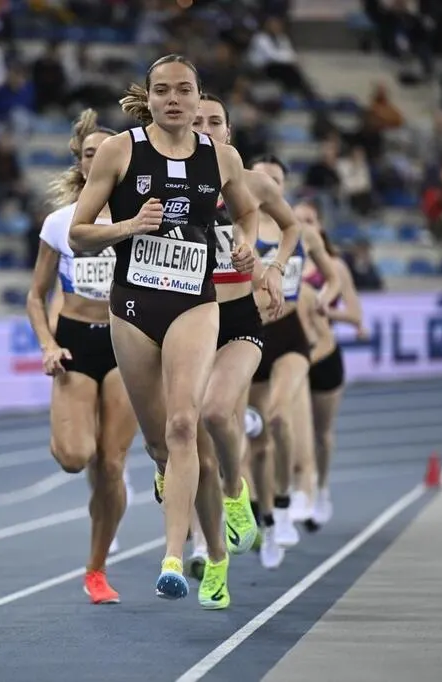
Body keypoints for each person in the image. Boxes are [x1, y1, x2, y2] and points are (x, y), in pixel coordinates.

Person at [68, 54, 267, 603]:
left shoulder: (221, 157)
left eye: (184, 90)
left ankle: (175, 558)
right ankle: (168, 474)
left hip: (195, 305)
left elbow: (247, 212)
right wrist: (130, 226)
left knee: (186, 425)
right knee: (161, 443)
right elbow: (79, 234)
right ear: (149, 98)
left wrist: (247, 241)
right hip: (133, 306)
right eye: (163, 91)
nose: (174, 99)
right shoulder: (120, 150)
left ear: (199, 97)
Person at [178, 93, 306, 589]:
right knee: (188, 444)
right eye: (199, 120)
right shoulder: (174, 181)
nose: (206, 128)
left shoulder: (251, 183)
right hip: (185, 318)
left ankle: (236, 492)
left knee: (214, 415)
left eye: (216, 122)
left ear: (229, 133)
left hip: (236, 318)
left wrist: (271, 269)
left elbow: (291, 226)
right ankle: (206, 552)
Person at [26, 109, 139, 605]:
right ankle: (102, 479)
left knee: (111, 465)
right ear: (81, 161)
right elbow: (35, 296)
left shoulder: (139, 215)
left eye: (106, 153)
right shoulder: (60, 223)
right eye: (90, 153)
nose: (99, 160)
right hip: (74, 340)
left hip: (126, 342)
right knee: (76, 457)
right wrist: (49, 345)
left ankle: (96, 570)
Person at [247, 158, 340, 570]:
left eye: (275, 180)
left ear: (283, 186)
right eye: (259, 178)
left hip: (289, 338)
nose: (266, 185)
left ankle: (285, 506)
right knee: (258, 441)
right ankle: (268, 518)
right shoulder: (239, 226)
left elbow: (333, 275)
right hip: (249, 339)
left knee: (280, 417)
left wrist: (324, 296)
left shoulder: (299, 233)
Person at [296, 221, 365, 531]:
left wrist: (322, 310)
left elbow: (354, 315)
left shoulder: (334, 266)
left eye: (310, 219)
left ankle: (321, 488)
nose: (302, 224)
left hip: (324, 355)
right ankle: (302, 493)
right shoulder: (285, 257)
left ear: (319, 226)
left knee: (322, 434)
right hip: (292, 353)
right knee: (292, 429)